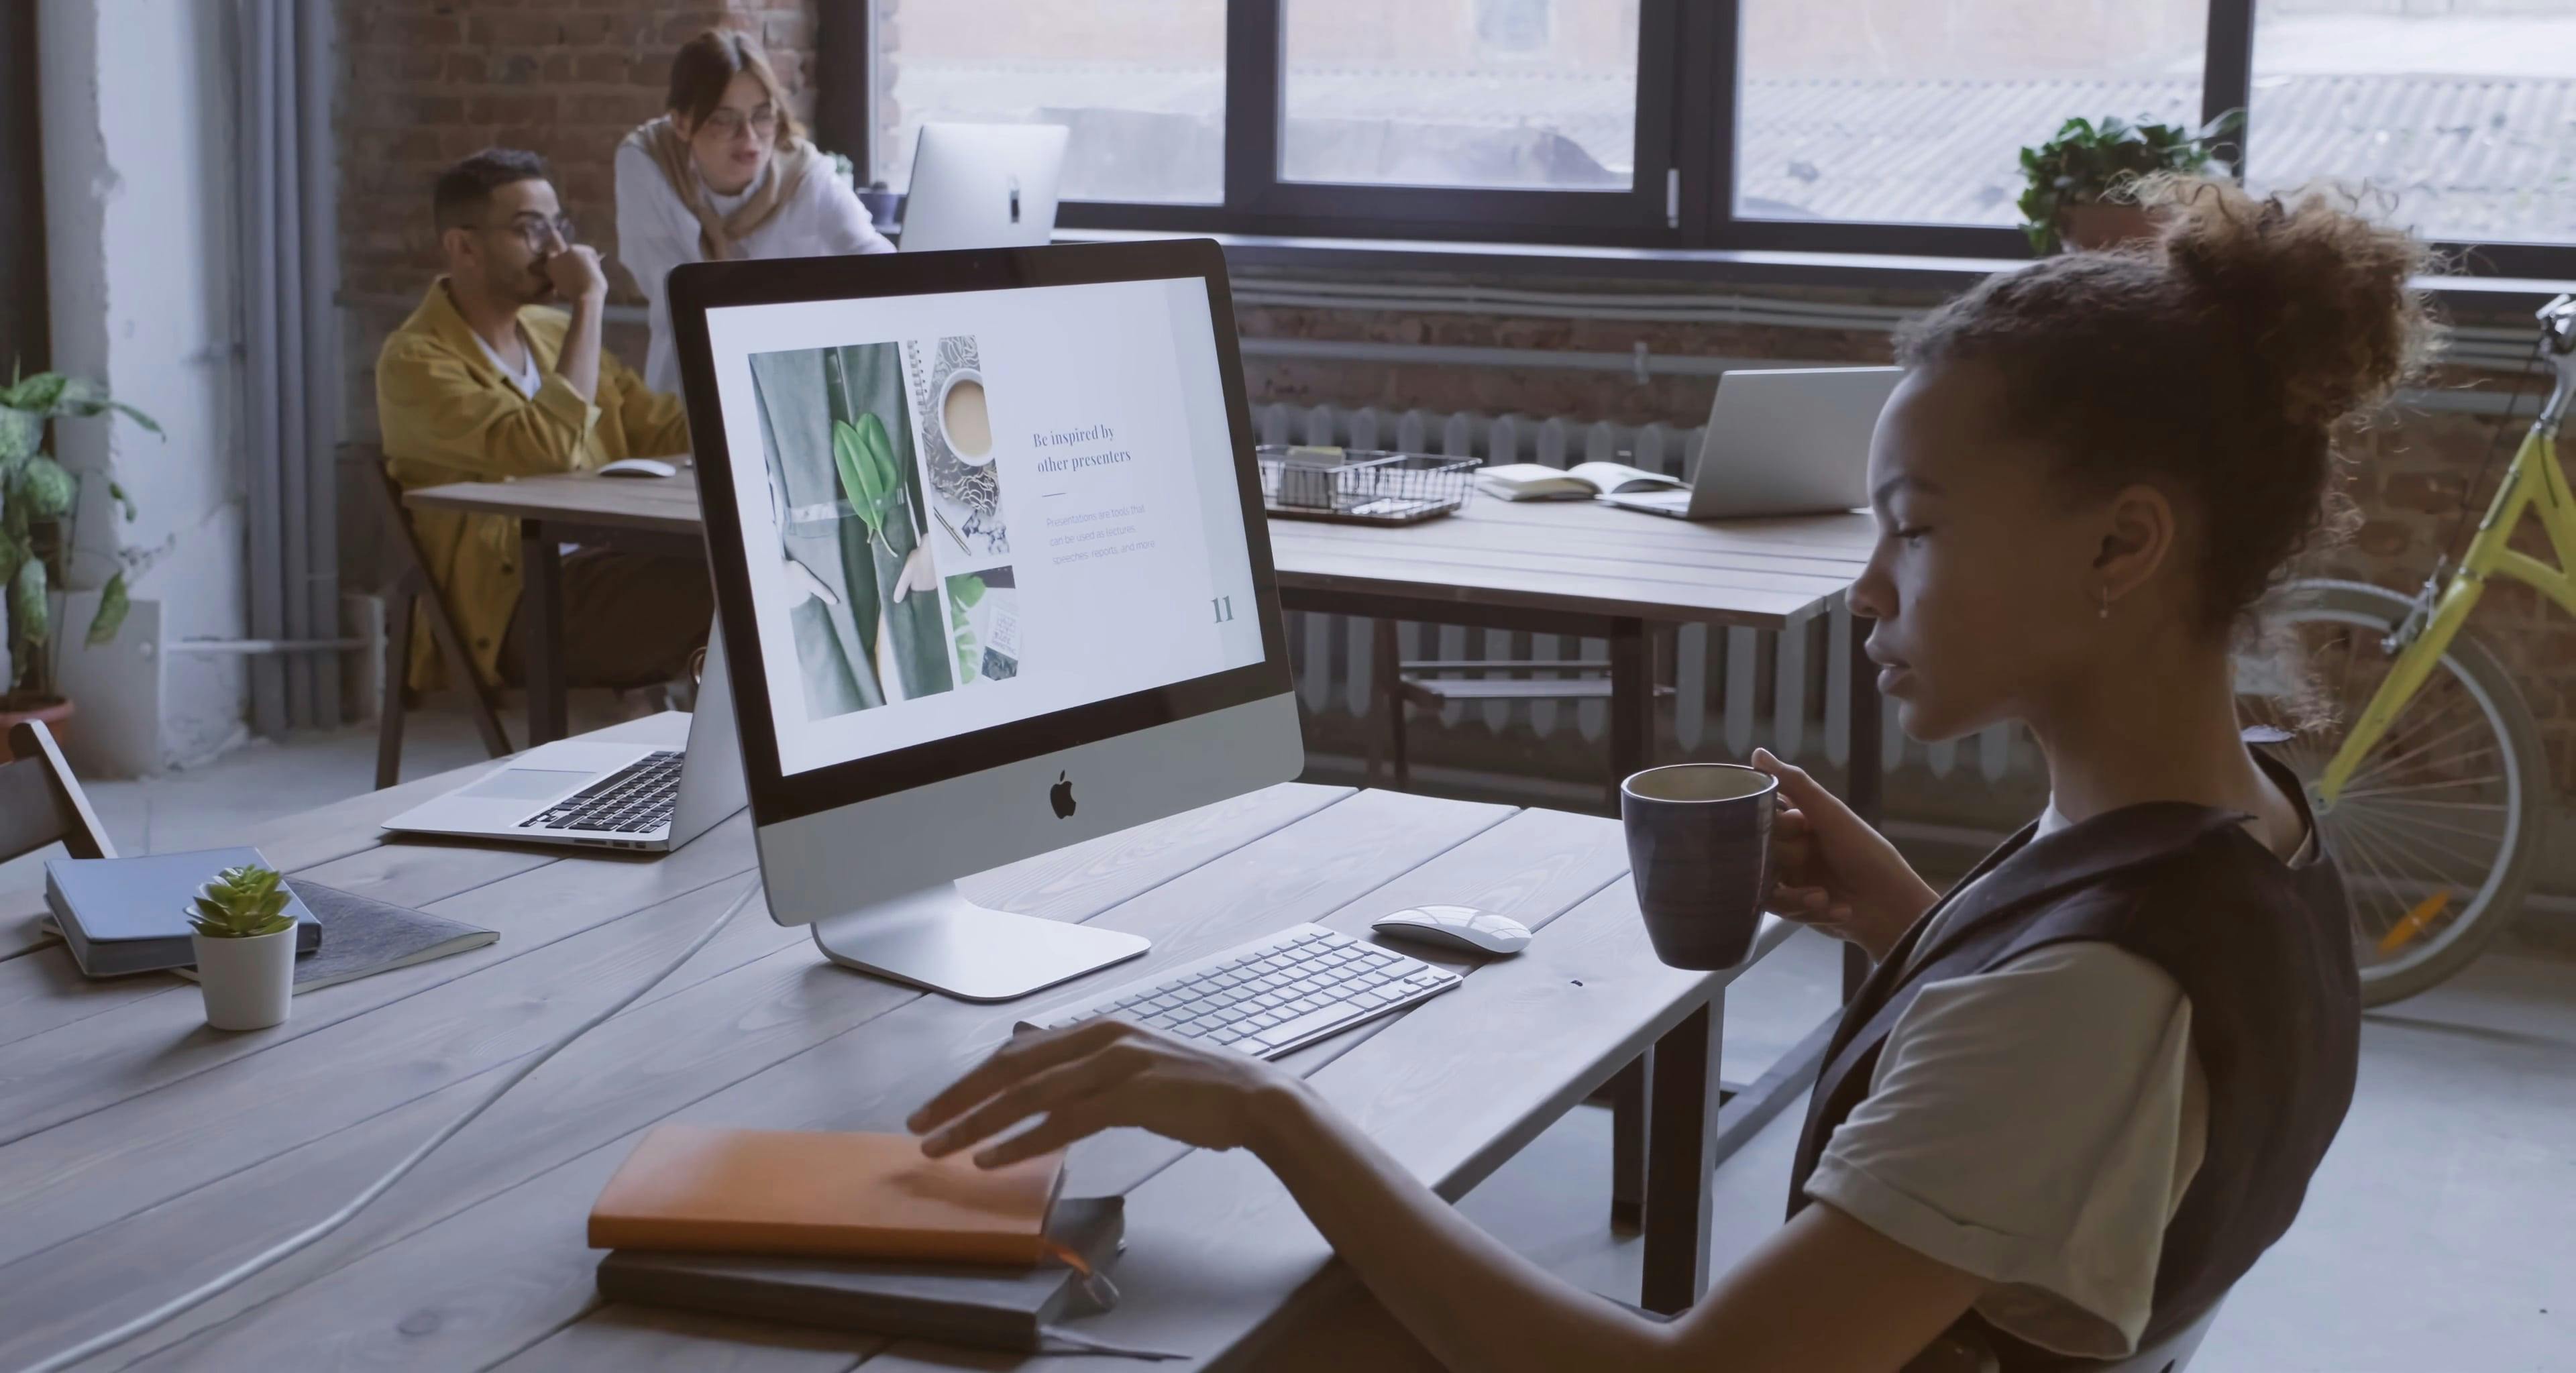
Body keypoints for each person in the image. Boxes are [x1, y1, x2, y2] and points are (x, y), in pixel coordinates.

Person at [910, 178, 2411, 1372]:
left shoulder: (2079, 1004)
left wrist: (1267, 1110)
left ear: (2122, 546)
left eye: (1920, 528)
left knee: (1191, 1318)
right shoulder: (2254, 834)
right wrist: (1920, 929)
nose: (1870, 587)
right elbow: (2106, 1088)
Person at [377, 148, 709, 698]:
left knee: (755, 557)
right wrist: (590, 301)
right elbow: (547, 449)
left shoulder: (551, 333)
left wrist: (754, 418)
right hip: (519, 607)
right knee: (737, 586)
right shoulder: (416, 361)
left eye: (559, 227)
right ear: (464, 247)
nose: (556, 249)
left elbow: (658, 425)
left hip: (609, 567)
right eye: (530, 230)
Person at [616, 28, 892, 396]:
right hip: (685, 381)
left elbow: (880, 266)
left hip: (792, 380)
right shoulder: (649, 161)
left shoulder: (804, 175)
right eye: (723, 120)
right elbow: (673, 289)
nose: (749, 138)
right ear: (682, 123)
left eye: (763, 116)